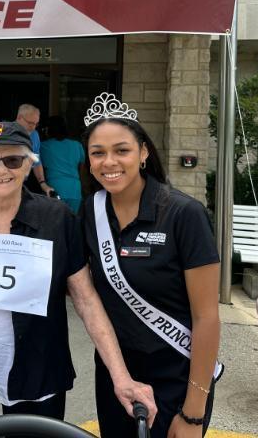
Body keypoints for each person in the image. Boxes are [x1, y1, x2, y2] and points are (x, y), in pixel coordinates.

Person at [0, 121, 156, 436]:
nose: (0, 170)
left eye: (12, 160)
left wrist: (121, 377)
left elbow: (85, 299)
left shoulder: (57, 218)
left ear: (29, 165)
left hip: (37, 365)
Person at [80, 92, 222, 438]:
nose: (109, 161)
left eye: (121, 150)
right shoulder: (90, 210)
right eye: (98, 153)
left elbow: (207, 317)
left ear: (143, 153)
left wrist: (193, 414)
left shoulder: (183, 214)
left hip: (176, 376)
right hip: (117, 374)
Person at [40, 116, 85, 213]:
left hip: (54, 188)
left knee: (55, 223)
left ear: (49, 129)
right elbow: (81, 169)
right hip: (74, 189)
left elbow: (37, 166)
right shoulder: (77, 145)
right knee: (71, 223)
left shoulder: (43, 146)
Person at [16, 104, 53, 195]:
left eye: (36, 124)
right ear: (19, 117)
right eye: (30, 123)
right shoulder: (5, 132)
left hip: (23, 182)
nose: (33, 127)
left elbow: (36, 160)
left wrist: (43, 183)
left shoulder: (34, 134)